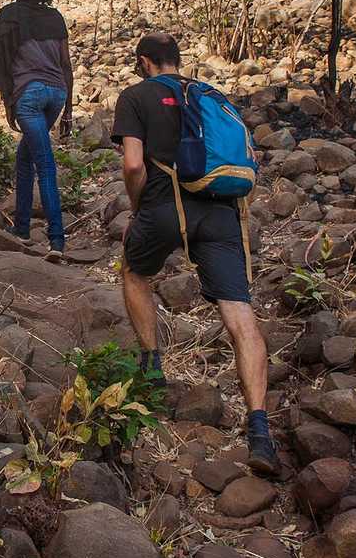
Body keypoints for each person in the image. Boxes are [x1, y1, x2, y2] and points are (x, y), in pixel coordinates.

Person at [110, 31, 278, 476]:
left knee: (134, 272)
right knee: (240, 315)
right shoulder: (211, 95)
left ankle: (152, 371)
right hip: (221, 214)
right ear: (176, 59)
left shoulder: (135, 96)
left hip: (164, 207)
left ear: (144, 61)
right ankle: (259, 429)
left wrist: (138, 205)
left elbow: (132, 164)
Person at [0, 0, 73, 253]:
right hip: (57, 94)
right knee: (24, 158)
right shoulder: (55, 17)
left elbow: (2, 64)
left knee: (45, 165)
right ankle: (22, 228)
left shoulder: (8, 15)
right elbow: (66, 65)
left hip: (28, 94)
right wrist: (69, 110)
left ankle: (57, 240)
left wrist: (7, 103)